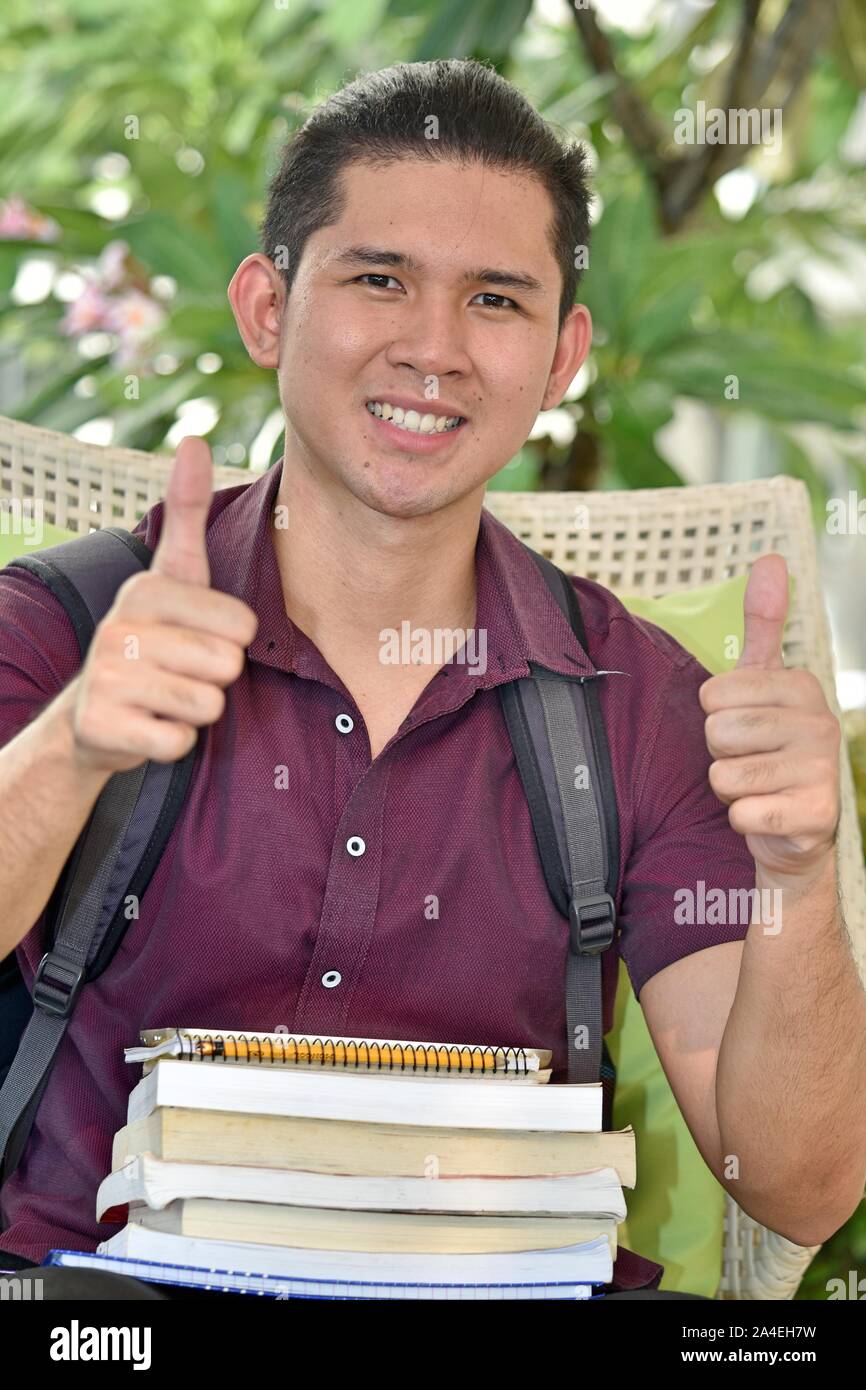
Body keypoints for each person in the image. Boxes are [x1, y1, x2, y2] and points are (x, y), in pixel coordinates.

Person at [0, 58, 863, 1302]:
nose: (434, 348)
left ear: (561, 353)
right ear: (264, 307)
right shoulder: (65, 628)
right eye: (378, 278)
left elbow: (795, 1186)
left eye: (496, 301)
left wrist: (791, 886)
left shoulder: (639, 704)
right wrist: (75, 742)